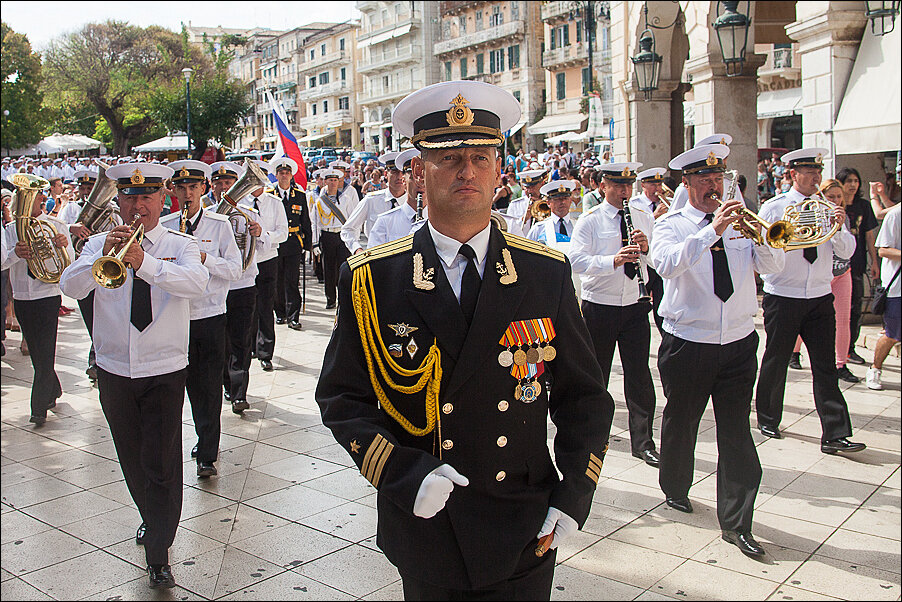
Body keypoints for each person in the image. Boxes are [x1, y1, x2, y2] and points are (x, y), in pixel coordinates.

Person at [316, 80, 614, 600]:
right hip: (428, 521)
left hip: (522, 522)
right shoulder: (371, 280)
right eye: (449, 157)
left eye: (481, 156)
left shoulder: (544, 273)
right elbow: (342, 398)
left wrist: (575, 494)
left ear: (500, 171)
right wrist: (404, 475)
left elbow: (584, 398)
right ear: (418, 171)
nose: (467, 170)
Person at [60, 162, 209, 589]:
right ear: (118, 201)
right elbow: (70, 289)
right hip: (114, 369)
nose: (137, 205)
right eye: (128, 197)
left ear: (164, 199)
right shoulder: (99, 246)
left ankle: (159, 549)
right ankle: (151, 517)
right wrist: (98, 253)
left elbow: (195, 284)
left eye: (146, 197)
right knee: (131, 456)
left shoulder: (180, 243)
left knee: (162, 460)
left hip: (164, 368)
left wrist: (145, 263)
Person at [651, 143, 784, 558]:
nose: (714, 186)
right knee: (681, 420)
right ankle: (675, 485)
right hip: (689, 343)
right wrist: (712, 231)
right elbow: (668, 264)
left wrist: (762, 238)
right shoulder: (672, 224)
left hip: (739, 342)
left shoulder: (743, 222)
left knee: (736, 432)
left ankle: (737, 522)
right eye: (705, 179)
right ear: (687, 182)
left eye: (719, 178)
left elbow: (774, 269)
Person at [754, 149, 866, 456]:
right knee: (776, 360)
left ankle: (835, 433)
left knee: (825, 366)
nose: (816, 178)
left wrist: (839, 225)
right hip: (783, 295)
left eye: (818, 172)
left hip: (819, 295)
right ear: (793, 175)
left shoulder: (826, 207)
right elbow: (762, 252)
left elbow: (846, 251)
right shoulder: (774, 207)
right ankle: (767, 418)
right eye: (809, 173)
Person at [569, 163, 662, 468]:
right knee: (598, 375)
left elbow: (658, 261)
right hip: (600, 307)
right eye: (618, 186)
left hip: (636, 304)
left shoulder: (643, 217)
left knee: (639, 376)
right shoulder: (591, 221)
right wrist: (613, 260)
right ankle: (593, 438)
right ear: (604, 186)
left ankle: (643, 442)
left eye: (628, 186)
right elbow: (575, 260)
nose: (624, 191)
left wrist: (645, 250)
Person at [160, 160, 242, 478]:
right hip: (173, 317)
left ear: (204, 189)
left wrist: (204, 257)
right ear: (174, 191)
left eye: (193, 187)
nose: (187, 193)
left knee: (207, 387)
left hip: (208, 316)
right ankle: (193, 438)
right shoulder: (166, 225)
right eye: (181, 188)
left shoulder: (219, 225)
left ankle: (207, 452)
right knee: (176, 387)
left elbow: (236, 269)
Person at [2, 187, 73, 425]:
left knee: (45, 351)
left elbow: (70, 261)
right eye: (22, 199)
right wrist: (15, 253)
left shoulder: (56, 226)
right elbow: (3, 262)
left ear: (40, 201)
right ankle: (53, 388)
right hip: (23, 297)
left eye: (31, 198)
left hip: (47, 296)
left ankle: (38, 407)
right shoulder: (11, 230)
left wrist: (62, 245)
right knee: (37, 352)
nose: (27, 203)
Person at [788, 179, 860, 383]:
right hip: (821, 275)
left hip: (842, 272)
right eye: (831, 197)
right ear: (821, 197)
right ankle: (794, 353)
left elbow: (847, 251)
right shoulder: (812, 214)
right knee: (806, 319)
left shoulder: (841, 218)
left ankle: (841, 364)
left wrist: (837, 228)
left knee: (843, 320)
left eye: (839, 197)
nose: (836, 201)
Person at [835, 167, 879, 366]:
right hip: (835, 266)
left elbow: (869, 235)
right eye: (848, 181)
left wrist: (874, 261)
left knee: (854, 308)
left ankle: (849, 349)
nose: (852, 185)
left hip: (857, 263)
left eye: (856, 181)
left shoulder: (864, 206)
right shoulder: (834, 206)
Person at [268, 157, 310, 339]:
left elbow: (306, 221)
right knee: (276, 279)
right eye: (281, 173)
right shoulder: (269, 196)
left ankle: (294, 315)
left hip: (293, 242)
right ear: (276, 175)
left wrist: (308, 244)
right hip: (276, 243)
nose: (284, 176)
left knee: (292, 280)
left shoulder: (299, 196)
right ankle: (280, 313)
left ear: (291, 176)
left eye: (287, 173)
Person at [312, 163, 359, 310]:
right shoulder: (319, 202)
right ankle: (330, 298)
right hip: (327, 235)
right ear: (325, 182)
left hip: (342, 235)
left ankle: (343, 298)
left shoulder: (346, 199)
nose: (333, 183)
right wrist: (314, 243)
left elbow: (353, 219)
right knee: (329, 269)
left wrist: (354, 240)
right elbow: (315, 223)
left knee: (343, 268)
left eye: (335, 180)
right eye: (330, 180)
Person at [340, 151, 405, 254]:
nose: (400, 176)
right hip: (377, 258)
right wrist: (357, 249)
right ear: (385, 174)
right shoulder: (371, 200)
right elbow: (347, 229)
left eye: (403, 172)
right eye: (395, 171)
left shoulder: (416, 202)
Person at [867, 203, 901, 390]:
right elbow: (883, 250)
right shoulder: (895, 215)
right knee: (892, 334)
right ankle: (875, 369)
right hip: (897, 289)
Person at [367, 150, 427, 248]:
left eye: (424, 177)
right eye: (413, 178)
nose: (420, 183)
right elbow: (375, 261)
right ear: (404, 181)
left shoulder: (441, 221)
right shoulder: (385, 221)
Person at [506, 168, 548, 237]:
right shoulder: (515, 205)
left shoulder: (549, 203)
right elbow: (509, 230)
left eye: (533, 187)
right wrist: (524, 219)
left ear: (542, 184)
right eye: (527, 188)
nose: (530, 191)